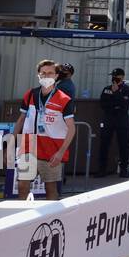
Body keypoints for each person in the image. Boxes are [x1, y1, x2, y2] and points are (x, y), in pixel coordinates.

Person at [12, 59, 76, 200]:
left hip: (52, 150)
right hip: (29, 147)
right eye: (43, 73)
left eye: (50, 73)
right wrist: (10, 144)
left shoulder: (64, 99)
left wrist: (61, 152)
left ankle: (51, 218)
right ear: (38, 75)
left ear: (56, 76)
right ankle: (23, 218)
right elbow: (21, 119)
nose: (46, 76)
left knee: (51, 188)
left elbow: (71, 128)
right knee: (22, 185)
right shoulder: (30, 95)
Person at [96, 67, 129, 178]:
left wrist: (116, 92)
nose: (114, 78)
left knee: (123, 145)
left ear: (122, 77)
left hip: (122, 120)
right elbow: (103, 104)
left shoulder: (128, 89)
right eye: (113, 76)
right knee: (104, 144)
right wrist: (115, 105)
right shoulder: (106, 89)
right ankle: (102, 169)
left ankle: (123, 169)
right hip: (108, 119)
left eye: (116, 76)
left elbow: (124, 104)